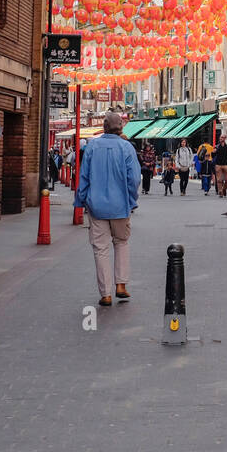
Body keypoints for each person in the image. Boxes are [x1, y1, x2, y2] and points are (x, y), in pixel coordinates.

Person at [74, 112, 141, 307]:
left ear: (104, 127)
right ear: (121, 127)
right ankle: (121, 284)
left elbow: (84, 176)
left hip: (96, 206)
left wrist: (81, 199)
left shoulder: (92, 146)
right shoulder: (126, 147)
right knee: (121, 243)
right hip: (120, 206)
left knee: (100, 248)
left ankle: (106, 294)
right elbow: (135, 179)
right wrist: (131, 199)